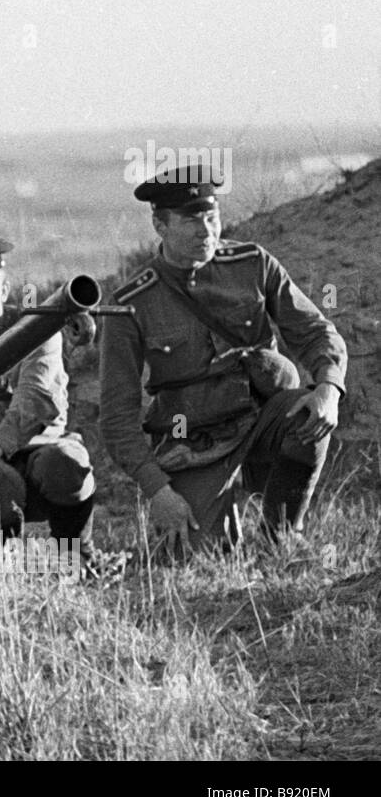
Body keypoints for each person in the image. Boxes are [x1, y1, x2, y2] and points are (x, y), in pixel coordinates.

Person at [99, 163, 347, 556]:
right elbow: (116, 418)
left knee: (308, 416)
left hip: (262, 419)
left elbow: (317, 332)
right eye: (190, 220)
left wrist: (330, 388)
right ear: (160, 226)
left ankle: (282, 535)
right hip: (193, 439)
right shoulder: (131, 303)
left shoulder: (252, 264)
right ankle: (213, 508)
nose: (206, 230)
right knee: (198, 556)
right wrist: (157, 490)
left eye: (212, 217)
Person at [0, 238, 119, 576]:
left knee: (67, 465)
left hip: (35, 453)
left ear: (5, 289)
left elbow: (37, 396)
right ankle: (3, 569)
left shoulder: (34, 331)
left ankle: (74, 557)